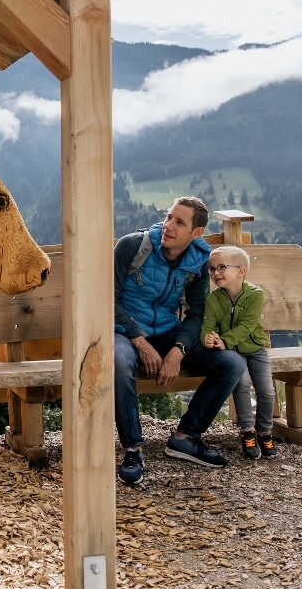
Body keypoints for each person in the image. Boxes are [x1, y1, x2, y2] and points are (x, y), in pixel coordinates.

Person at [114, 197, 246, 485]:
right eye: (169, 217)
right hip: (123, 332)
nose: (168, 226)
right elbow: (107, 299)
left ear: (195, 233)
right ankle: (133, 449)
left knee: (232, 363)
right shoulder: (132, 246)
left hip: (168, 333)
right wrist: (140, 341)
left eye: (179, 222)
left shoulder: (199, 262)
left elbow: (197, 312)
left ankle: (185, 437)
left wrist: (179, 349)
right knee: (118, 360)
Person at [201, 245, 277, 460]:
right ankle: (247, 431)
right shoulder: (213, 299)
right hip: (233, 353)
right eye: (212, 269)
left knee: (267, 391)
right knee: (241, 385)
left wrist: (224, 340)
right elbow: (208, 325)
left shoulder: (255, 295)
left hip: (255, 350)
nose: (216, 273)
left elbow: (246, 326)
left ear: (241, 271)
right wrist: (208, 339)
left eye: (222, 267)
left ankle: (264, 430)